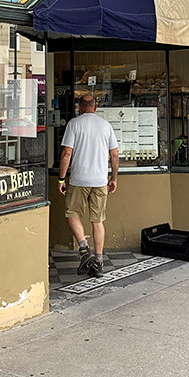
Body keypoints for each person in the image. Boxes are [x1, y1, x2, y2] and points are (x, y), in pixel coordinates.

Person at [58, 94, 119, 277]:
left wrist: (61, 179)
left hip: (78, 180)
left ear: (79, 107)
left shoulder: (74, 124)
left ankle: (84, 249)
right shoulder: (105, 125)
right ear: (96, 106)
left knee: (72, 213)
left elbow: (67, 153)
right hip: (100, 181)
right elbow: (114, 156)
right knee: (98, 220)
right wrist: (113, 178)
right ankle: (98, 262)